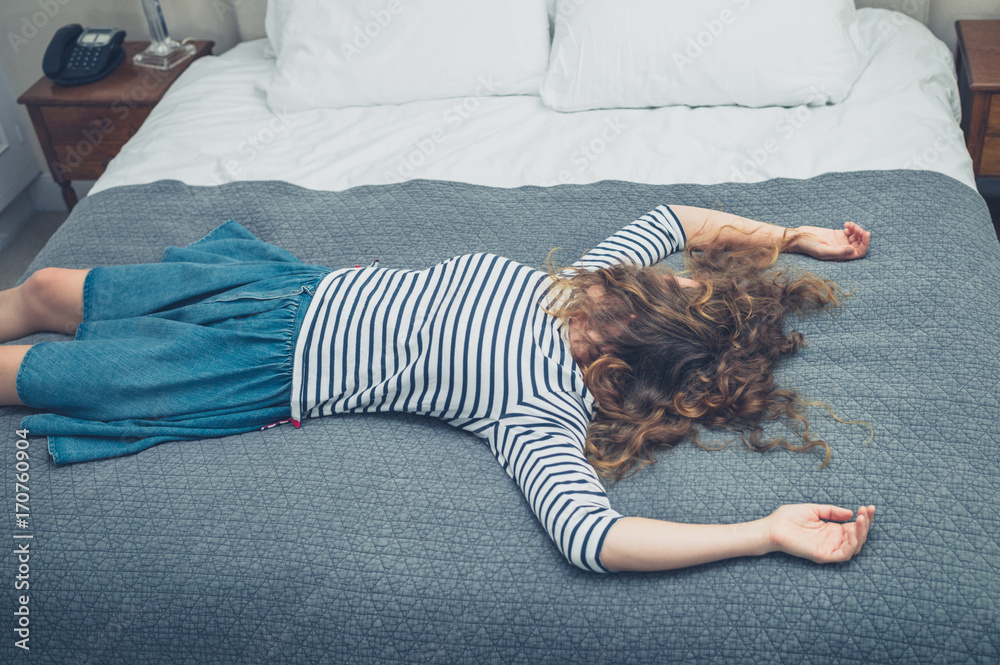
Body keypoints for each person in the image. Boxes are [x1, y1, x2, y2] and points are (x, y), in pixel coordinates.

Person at [0, 204, 874, 573]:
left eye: (664, 286)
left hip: (255, 368)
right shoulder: (586, 280)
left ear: (619, 354)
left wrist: (760, 532)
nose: (667, 269)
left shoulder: (540, 404)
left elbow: (591, 536)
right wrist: (792, 235)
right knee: (44, 292)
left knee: (37, 373)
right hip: (283, 293)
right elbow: (678, 217)